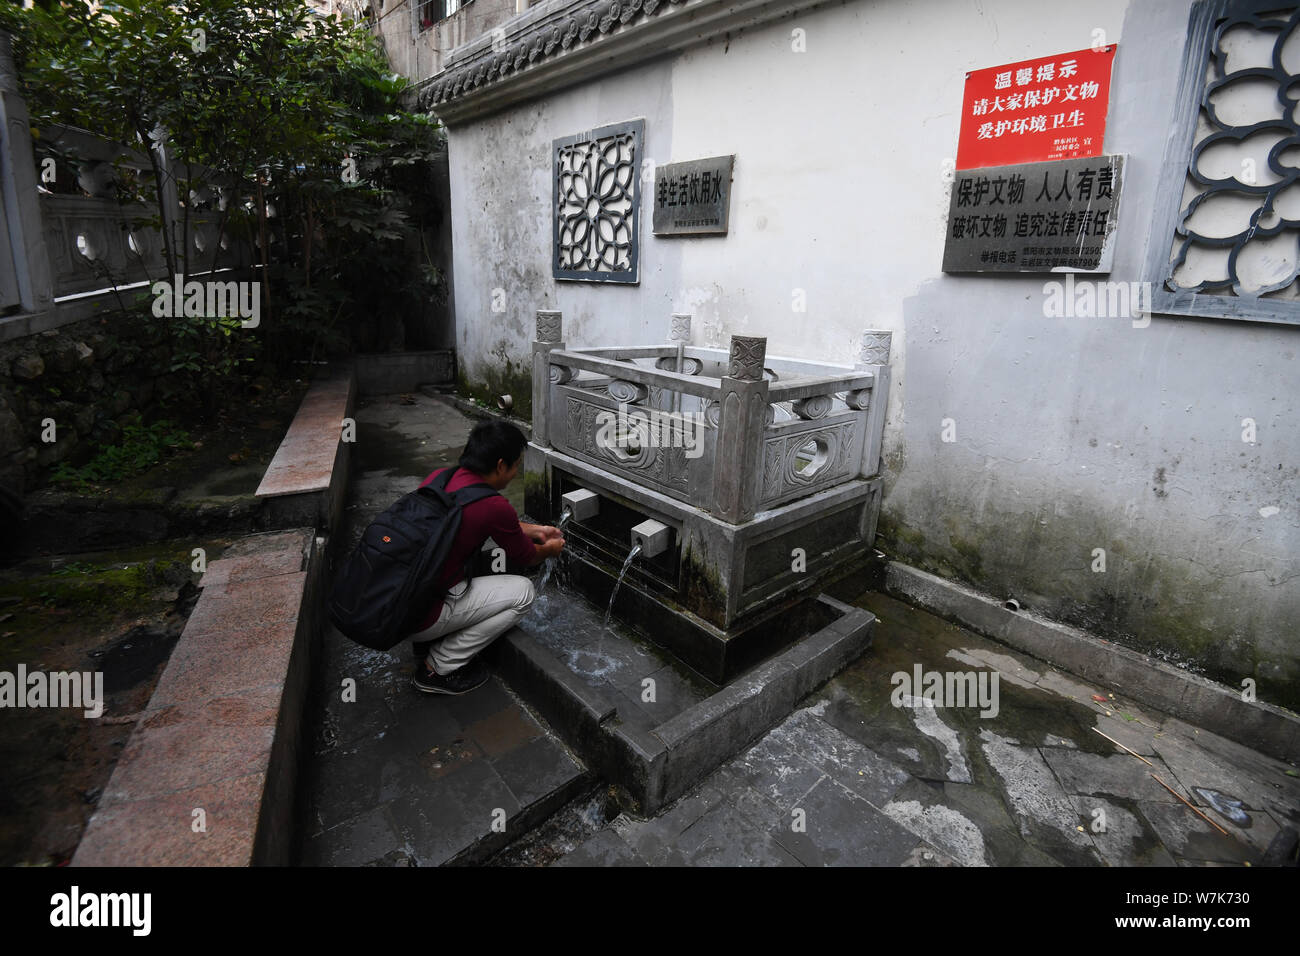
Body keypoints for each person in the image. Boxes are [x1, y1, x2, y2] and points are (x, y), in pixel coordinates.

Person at [403, 420, 564, 695]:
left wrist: (537, 530)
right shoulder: (492, 505)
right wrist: (551, 548)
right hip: (421, 618)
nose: (515, 473)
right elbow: (527, 557)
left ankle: (426, 642)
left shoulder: (440, 478)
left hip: (400, 604)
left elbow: (484, 520)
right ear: (501, 465)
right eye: (516, 466)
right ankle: (437, 667)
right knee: (523, 592)